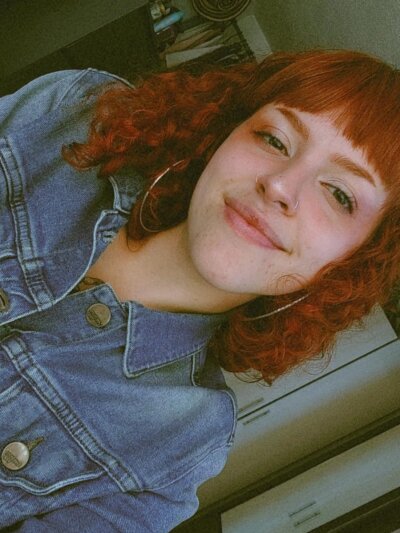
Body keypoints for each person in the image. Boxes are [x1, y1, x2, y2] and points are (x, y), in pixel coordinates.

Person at [0, 48, 399, 531]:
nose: (280, 186)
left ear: (354, 261)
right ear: (223, 133)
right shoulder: (75, 114)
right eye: (274, 139)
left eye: (339, 195)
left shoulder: (184, 440)